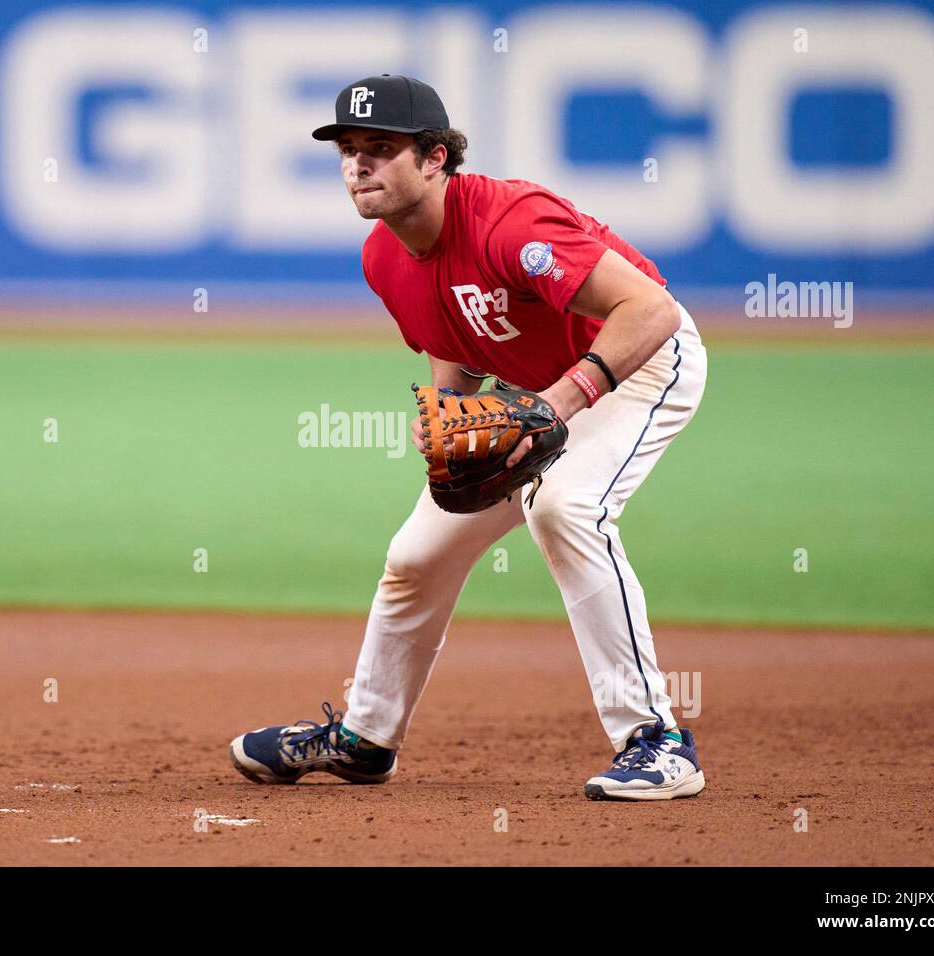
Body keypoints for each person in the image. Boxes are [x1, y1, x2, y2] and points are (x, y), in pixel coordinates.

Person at [230, 74, 708, 800]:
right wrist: (450, 416)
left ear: (434, 159)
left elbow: (652, 310)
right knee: (415, 555)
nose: (359, 164)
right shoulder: (383, 257)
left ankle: (658, 741)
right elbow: (453, 336)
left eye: (381, 148)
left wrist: (562, 400)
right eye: (349, 149)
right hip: (537, 393)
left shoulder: (511, 224)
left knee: (565, 507)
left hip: (636, 364)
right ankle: (366, 740)